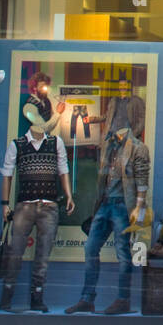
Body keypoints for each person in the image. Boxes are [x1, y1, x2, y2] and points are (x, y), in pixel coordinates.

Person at [65, 124, 149, 315]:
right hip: (104, 203)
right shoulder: (109, 145)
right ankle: (87, 298)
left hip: (123, 205)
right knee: (91, 247)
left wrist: (139, 207)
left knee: (123, 253)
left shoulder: (138, 147)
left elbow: (143, 179)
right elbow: (103, 177)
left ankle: (123, 299)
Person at [0, 108, 74, 312]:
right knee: (15, 253)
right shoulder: (18, 144)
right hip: (25, 205)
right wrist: (5, 204)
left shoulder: (55, 143)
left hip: (48, 205)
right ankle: (7, 296)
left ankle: (37, 298)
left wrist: (69, 196)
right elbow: (7, 174)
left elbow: (63, 170)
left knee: (43, 256)